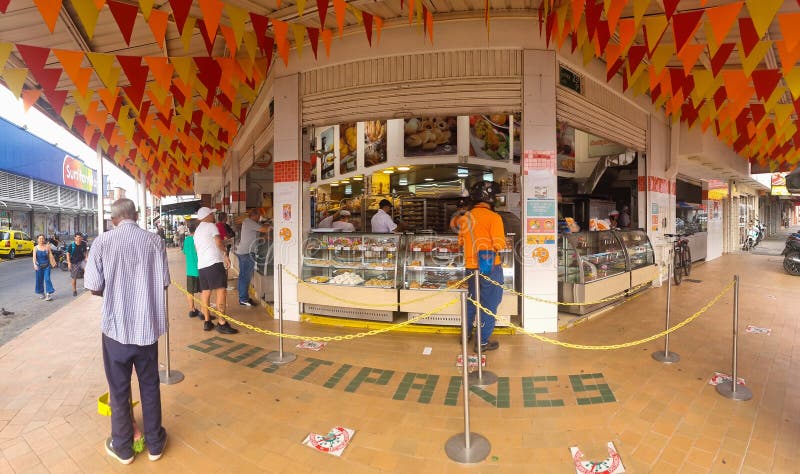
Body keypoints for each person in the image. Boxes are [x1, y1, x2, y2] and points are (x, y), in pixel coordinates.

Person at [83, 198, 169, 464]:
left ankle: (123, 448)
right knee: (150, 385)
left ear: (113, 218)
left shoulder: (102, 242)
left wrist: (116, 292)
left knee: (118, 388)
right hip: (146, 329)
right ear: (136, 215)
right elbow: (164, 283)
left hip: (116, 329)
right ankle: (155, 444)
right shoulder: (155, 242)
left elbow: (93, 286)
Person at [457, 181, 506, 352]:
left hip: (470, 267)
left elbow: (461, 241)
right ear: (491, 198)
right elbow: (499, 244)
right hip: (489, 267)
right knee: (489, 304)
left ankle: (466, 335)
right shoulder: (494, 218)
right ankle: (482, 342)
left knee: (471, 301)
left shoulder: (464, 218)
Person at [194, 207, 238, 334]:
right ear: (207, 215)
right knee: (221, 291)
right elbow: (218, 242)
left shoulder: (198, 231)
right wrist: (225, 253)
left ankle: (207, 322)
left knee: (206, 293)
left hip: (202, 265)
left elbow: (199, 249)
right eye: (212, 213)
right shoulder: (211, 226)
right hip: (214, 263)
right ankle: (222, 323)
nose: (214, 215)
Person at [235, 209, 271, 307]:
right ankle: (243, 299)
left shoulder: (251, 223)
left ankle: (243, 297)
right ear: (254, 215)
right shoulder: (249, 222)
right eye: (259, 215)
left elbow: (255, 237)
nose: (259, 218)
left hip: (246, 252)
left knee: (243, 276)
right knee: (245, 277)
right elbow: (264, 229)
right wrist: (272, 225)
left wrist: (265, 238)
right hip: (246, 253)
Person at [183, 219, 202, 318]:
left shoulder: (186, 240)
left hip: (190, 270)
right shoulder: (199, 239)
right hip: (201, 269)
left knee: (190, 291)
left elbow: (185, 252)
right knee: (204, 291)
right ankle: (204, 311)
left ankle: (192, 309)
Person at [32, 234, 55, 301]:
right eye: (40, 238)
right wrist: (34, 265)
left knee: (47, 279)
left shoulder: (47, 247)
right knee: (39, 280)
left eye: (42, 238)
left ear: (44, 239)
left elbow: (50, 255)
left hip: (47, 266)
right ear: (37, 240)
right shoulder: (35, 248)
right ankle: (42, 293)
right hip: (39, 267)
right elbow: (34, 257)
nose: (41, 240)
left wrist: (53, 262)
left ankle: (48, 294)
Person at [66, 232, 88, 297]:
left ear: (81, 238)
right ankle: (74, 290)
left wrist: (87, 257)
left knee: (87, 270)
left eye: (80, 237)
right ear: (75, 238)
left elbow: (85, 251)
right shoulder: (71, 245)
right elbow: (68, 254)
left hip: (82, 261)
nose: (79, 239)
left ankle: (87, 285)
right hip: (74, 262)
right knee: (74, 277)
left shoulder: (84, 244)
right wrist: (69, 263)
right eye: (77, 237)